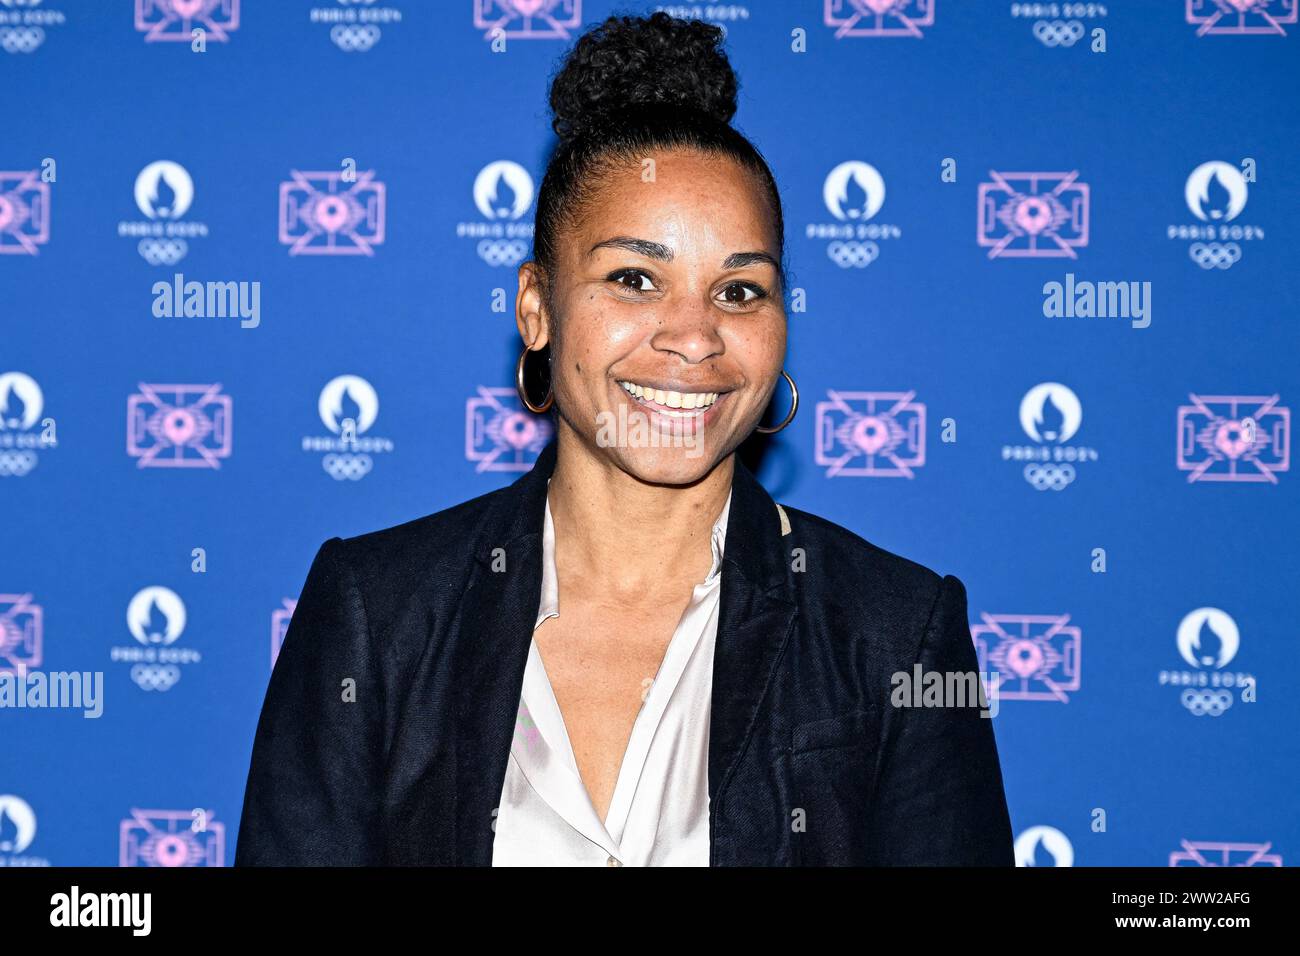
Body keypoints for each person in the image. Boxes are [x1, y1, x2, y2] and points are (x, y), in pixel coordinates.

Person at [234, 11, 1014, 867]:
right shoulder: (377, 611)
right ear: (537, 308)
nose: (695, 337)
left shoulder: (892, 629)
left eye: (741, 292)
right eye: (634, 279)